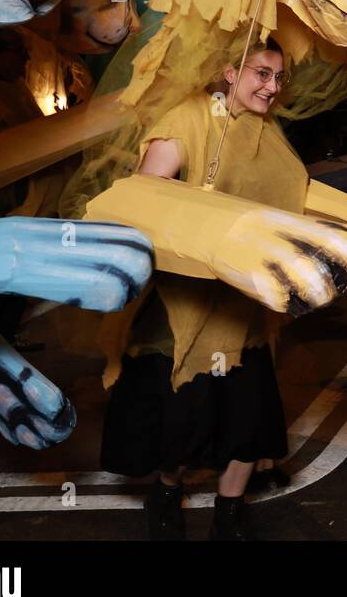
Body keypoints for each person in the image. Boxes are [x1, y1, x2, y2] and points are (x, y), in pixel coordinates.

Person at [99, 39, 298, 540]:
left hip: (243, 306)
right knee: (183, 416)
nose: (272, 87)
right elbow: (140, 202)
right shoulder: (187, 119)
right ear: (230, 72)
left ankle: (230, 511)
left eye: (279, 78)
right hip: (183, 305)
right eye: (261, 74)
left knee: (248, 415)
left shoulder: (265, 130)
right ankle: (166, 493)